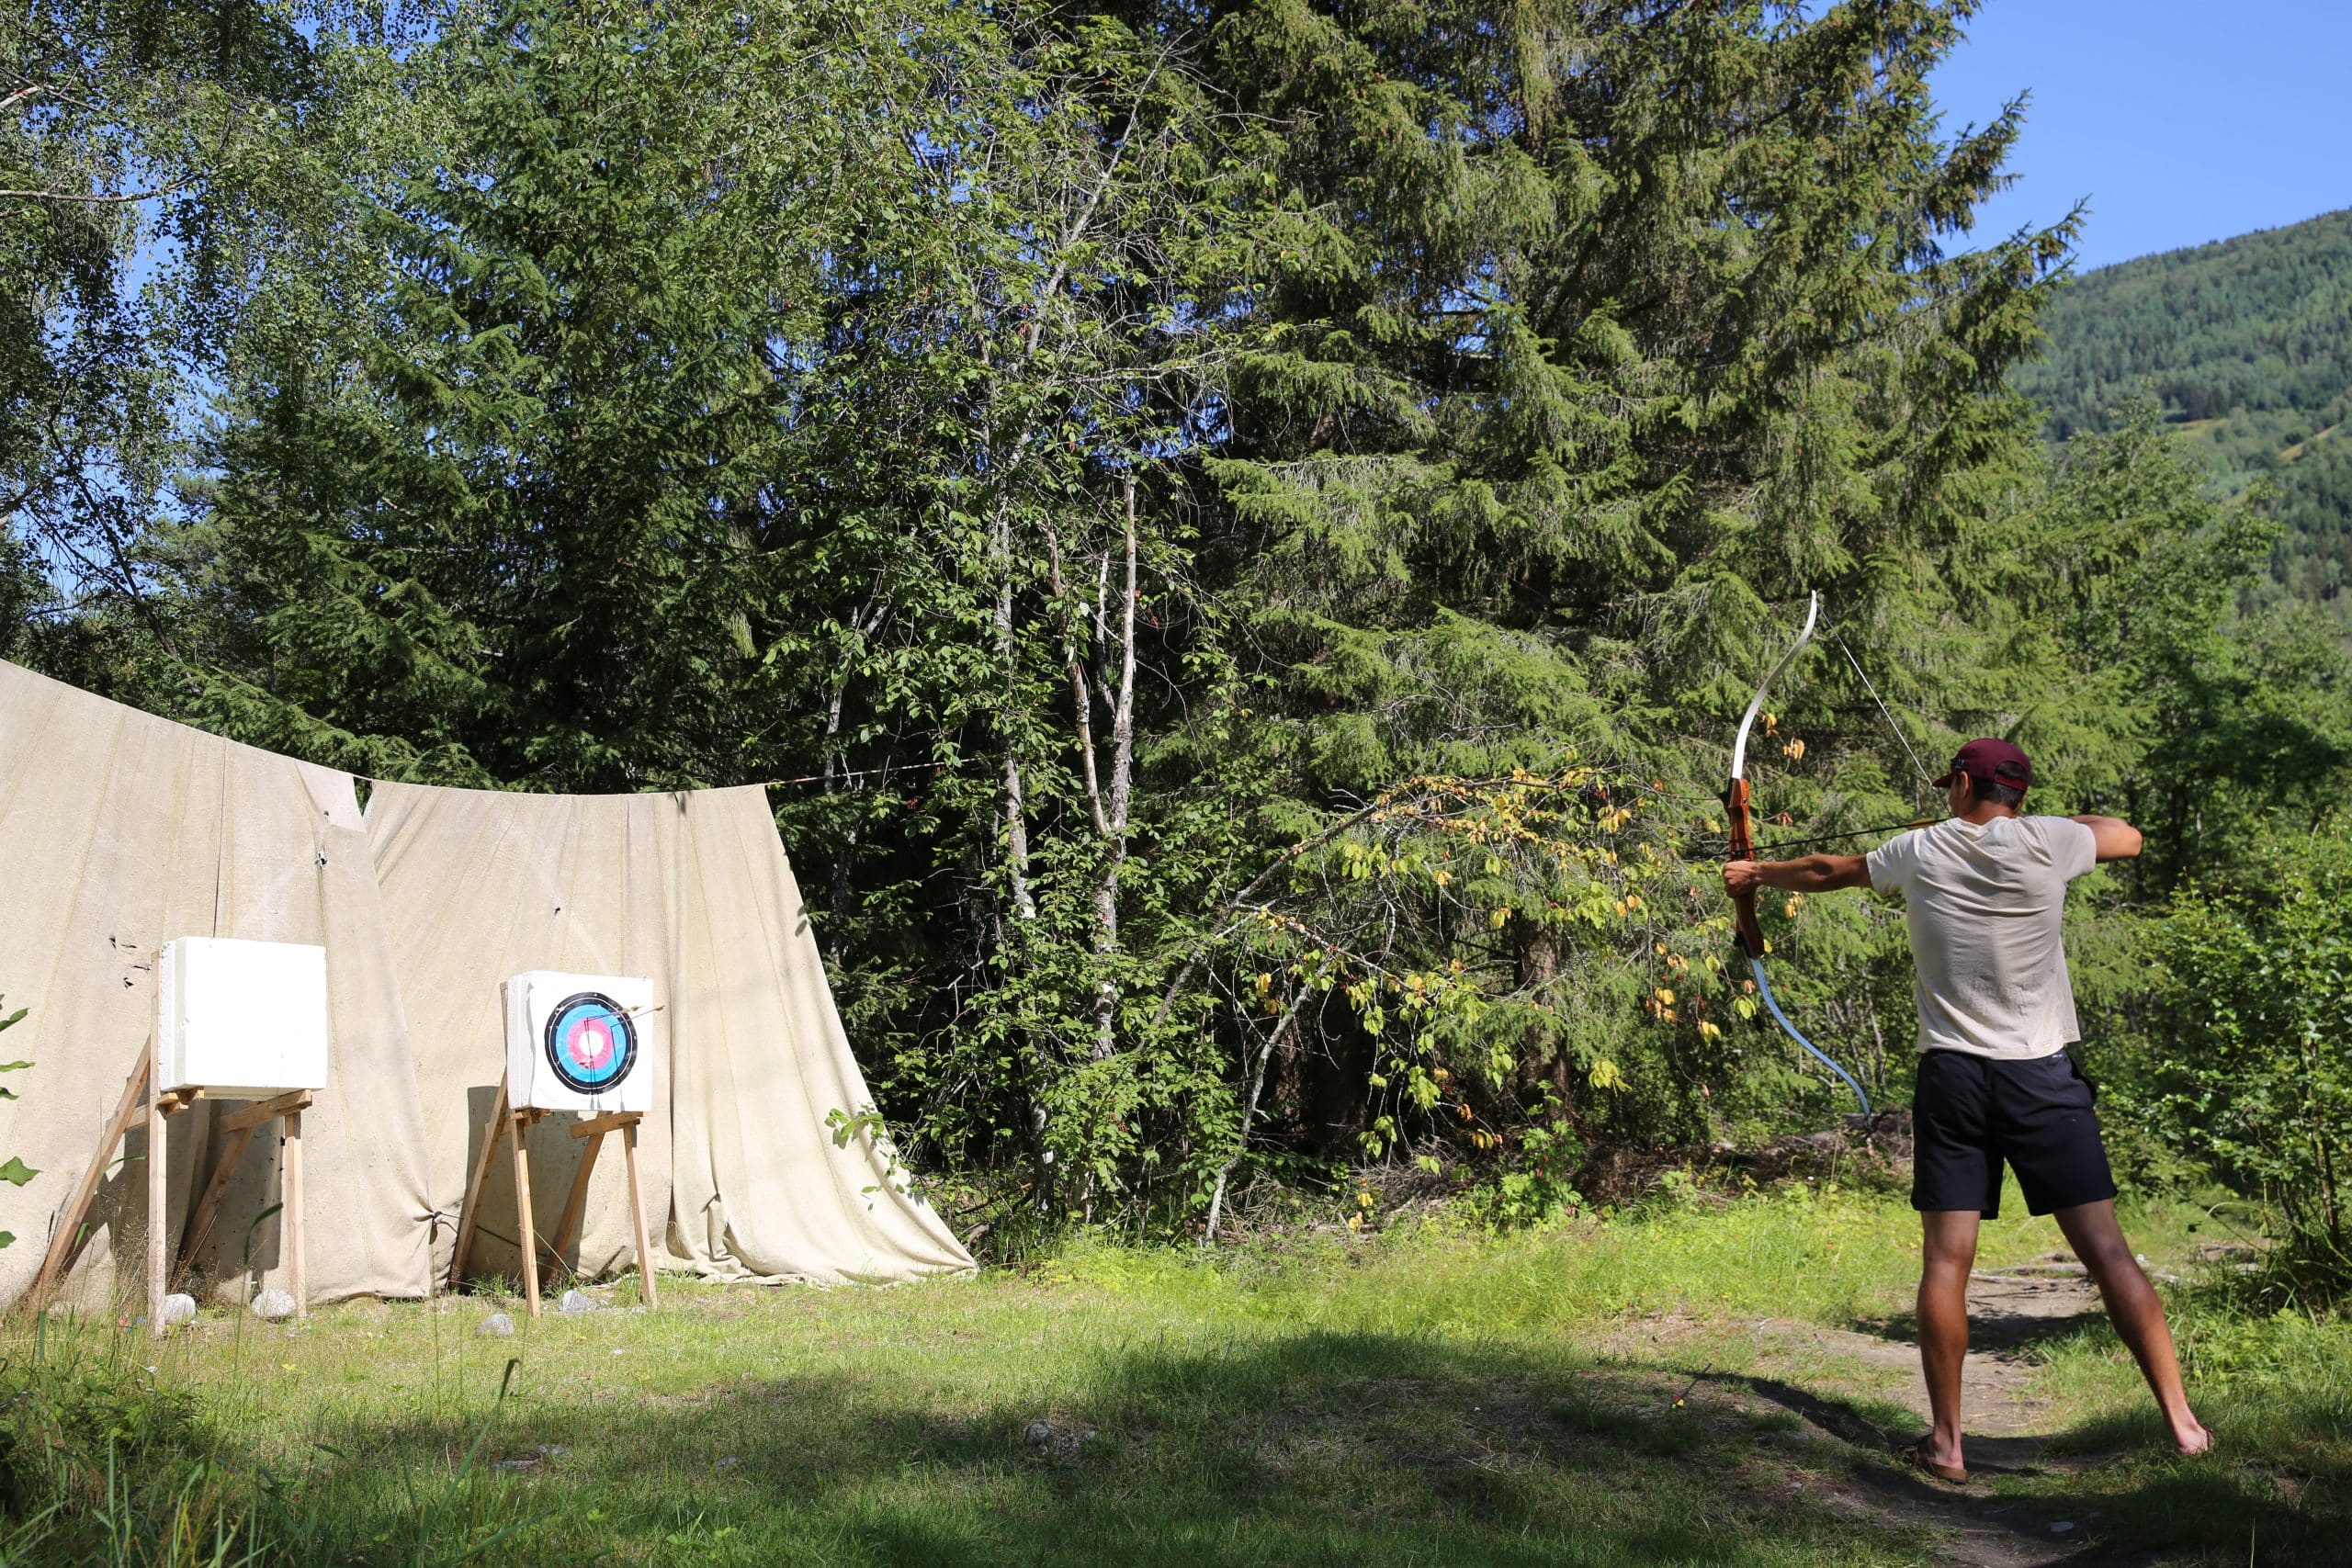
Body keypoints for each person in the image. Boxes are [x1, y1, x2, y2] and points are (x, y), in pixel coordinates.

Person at [1722, 738, 2211, 1481]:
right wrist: (2022, 823)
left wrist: (1756, 871)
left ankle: (1948, 1444)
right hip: (2043, 1079)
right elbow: (2127, 834)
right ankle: (2182, 1425)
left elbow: (1828, 870)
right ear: (2017, 794)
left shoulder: (1918, 849)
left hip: (1954, 1078)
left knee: (1947, 1261)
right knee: (2108, 1251)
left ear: (1958, 782)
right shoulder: (2053, 841)